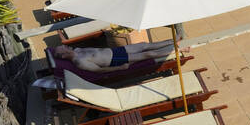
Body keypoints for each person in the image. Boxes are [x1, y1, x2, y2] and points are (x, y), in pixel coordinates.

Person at [53, 40, 187, 74]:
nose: (66, 46)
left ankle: (173, 42)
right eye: (63, 48)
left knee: (144, 45)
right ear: (64, 55)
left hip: (115, 50)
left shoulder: (77, 49)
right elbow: (99, 70)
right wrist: (120, 68)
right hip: (115, 60)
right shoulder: (79, 62)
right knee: (148, 54)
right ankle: (178, 50)